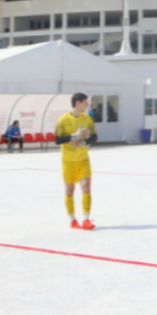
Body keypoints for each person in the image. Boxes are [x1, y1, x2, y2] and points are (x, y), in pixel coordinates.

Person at [55, 93, 98, 230]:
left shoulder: (87, 119)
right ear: (78, 103)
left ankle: (86, 219)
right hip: (68, 161)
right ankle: (72, 220)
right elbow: (57, 140)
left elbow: (95, 136)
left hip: (83, 159)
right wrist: (72, 137)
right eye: (85, 102)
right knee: (70, 190)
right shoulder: (62, 120)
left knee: (86, 187)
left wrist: (85, 141)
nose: (87, 105)